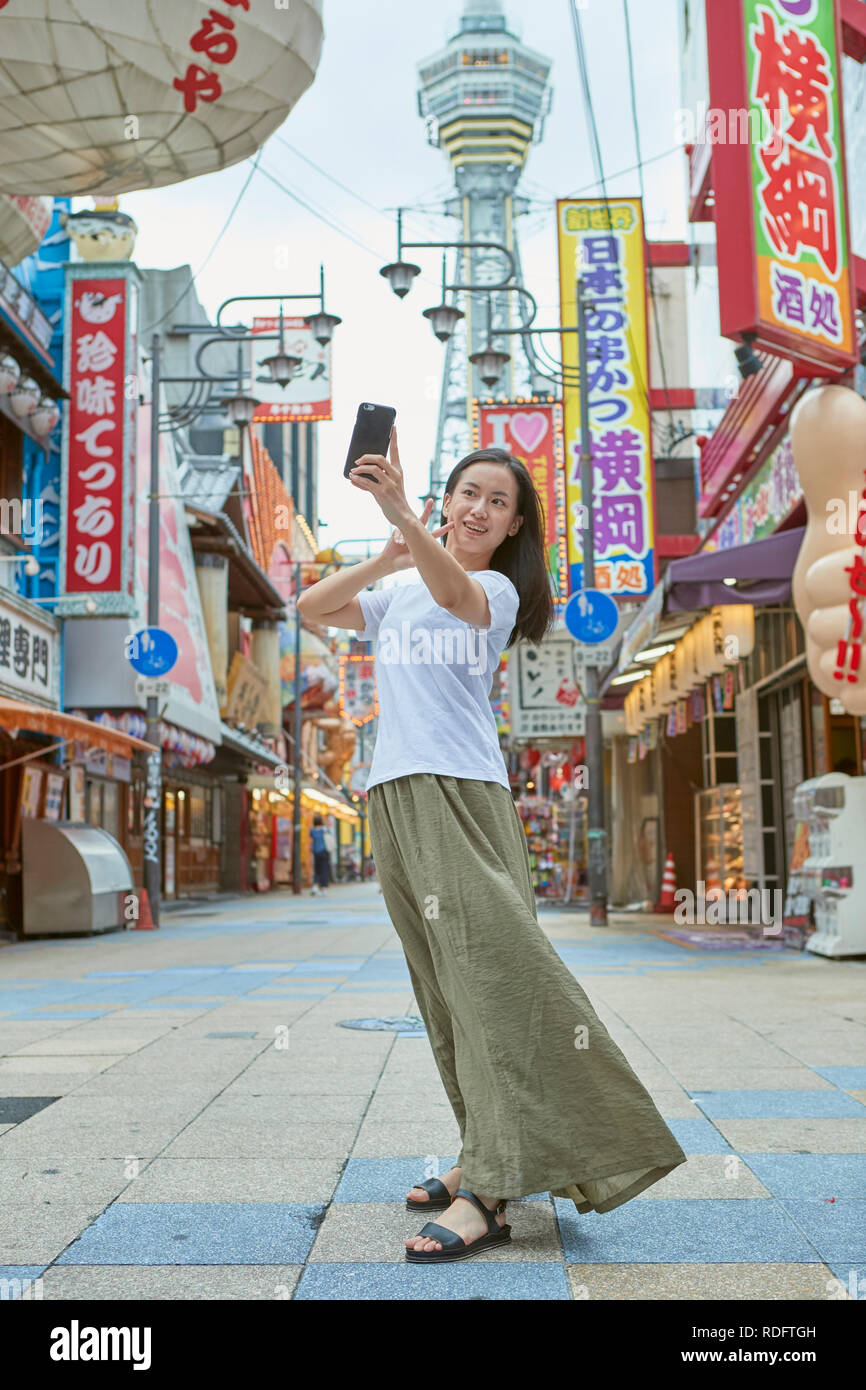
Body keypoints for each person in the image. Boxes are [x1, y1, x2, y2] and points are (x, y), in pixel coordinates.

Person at [297, 427, 687, 1264]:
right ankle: (485, 1150)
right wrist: (394, 550)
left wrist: (402, 516)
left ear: (515, 527)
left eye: (497, 502)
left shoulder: (498, 595)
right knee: (444, 991)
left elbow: (458, 602)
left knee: (500, 979)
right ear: (449, 500)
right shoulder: (404, 584)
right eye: (467, 492)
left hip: (461, 794)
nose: (478, 508)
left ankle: (495, 1192)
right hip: (394, 795)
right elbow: (311, 609)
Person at [309, 814, 331, 895]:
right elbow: (329, 836)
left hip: (316, 852)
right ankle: (324, 887)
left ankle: (315, 886)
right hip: (324, 852)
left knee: (317, 870)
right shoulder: (324, 829)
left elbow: (311, 839)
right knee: (324, 870)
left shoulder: (312, 830)